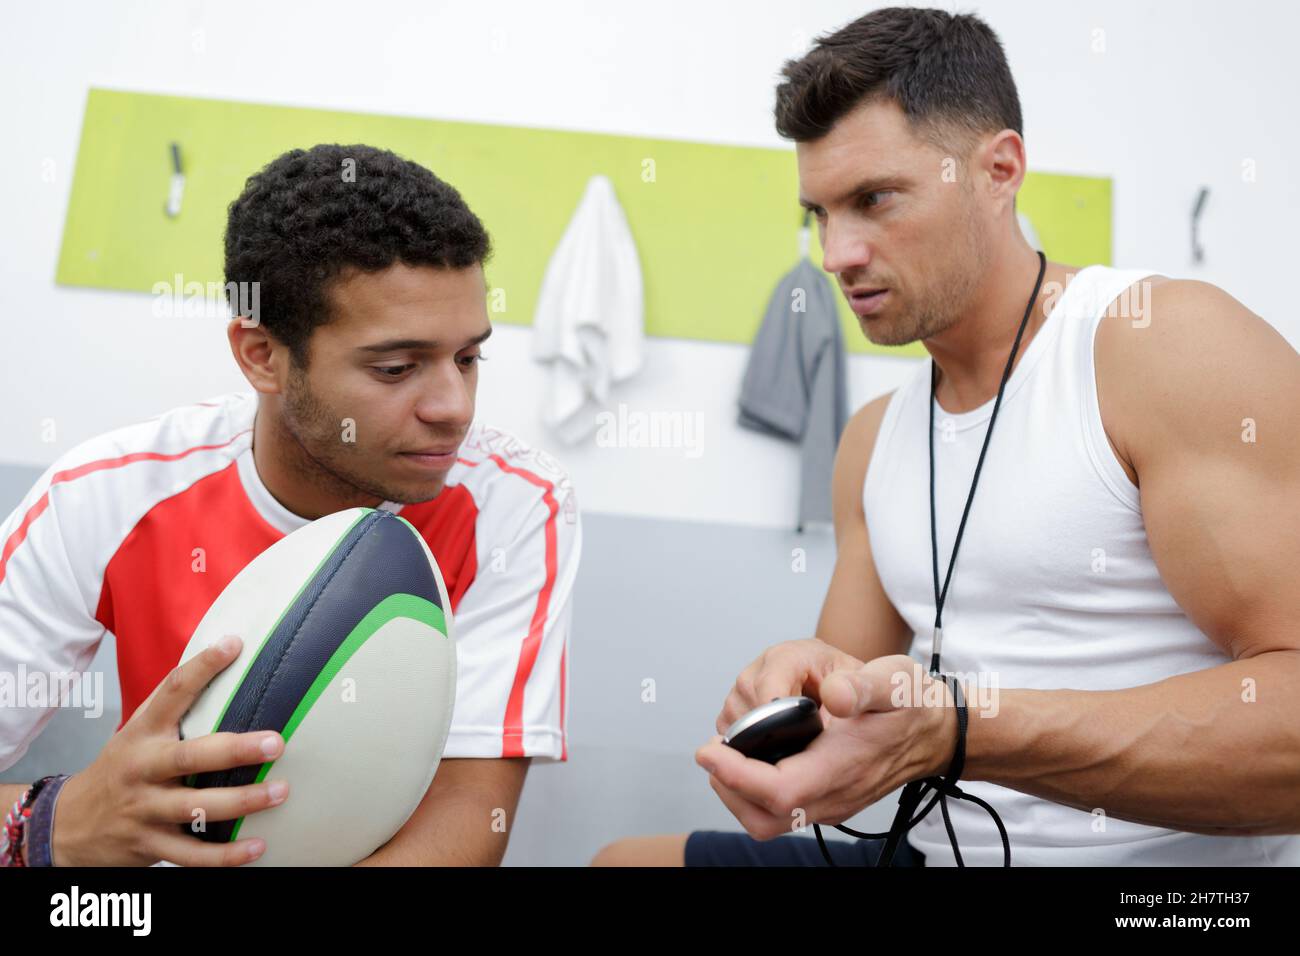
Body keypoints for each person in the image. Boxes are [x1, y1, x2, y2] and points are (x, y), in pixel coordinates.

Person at [593, 6, 1300, 866]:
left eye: (874, 200)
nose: (836, 252)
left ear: (998, 169)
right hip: (932, 851)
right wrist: (801, 690)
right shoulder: (874, 438)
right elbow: (860, 711)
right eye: (819, 213)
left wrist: (963, 730)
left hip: (1151, 889)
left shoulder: (1161, 345)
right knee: (623, 862)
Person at [0, 144, 580, 866]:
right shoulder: (104, 494)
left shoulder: (515, 506)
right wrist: (49, 823)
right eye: (396, 368)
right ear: (262, 355)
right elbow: (51, 833)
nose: (453, 408)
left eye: (468, 358)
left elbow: (467, 828)